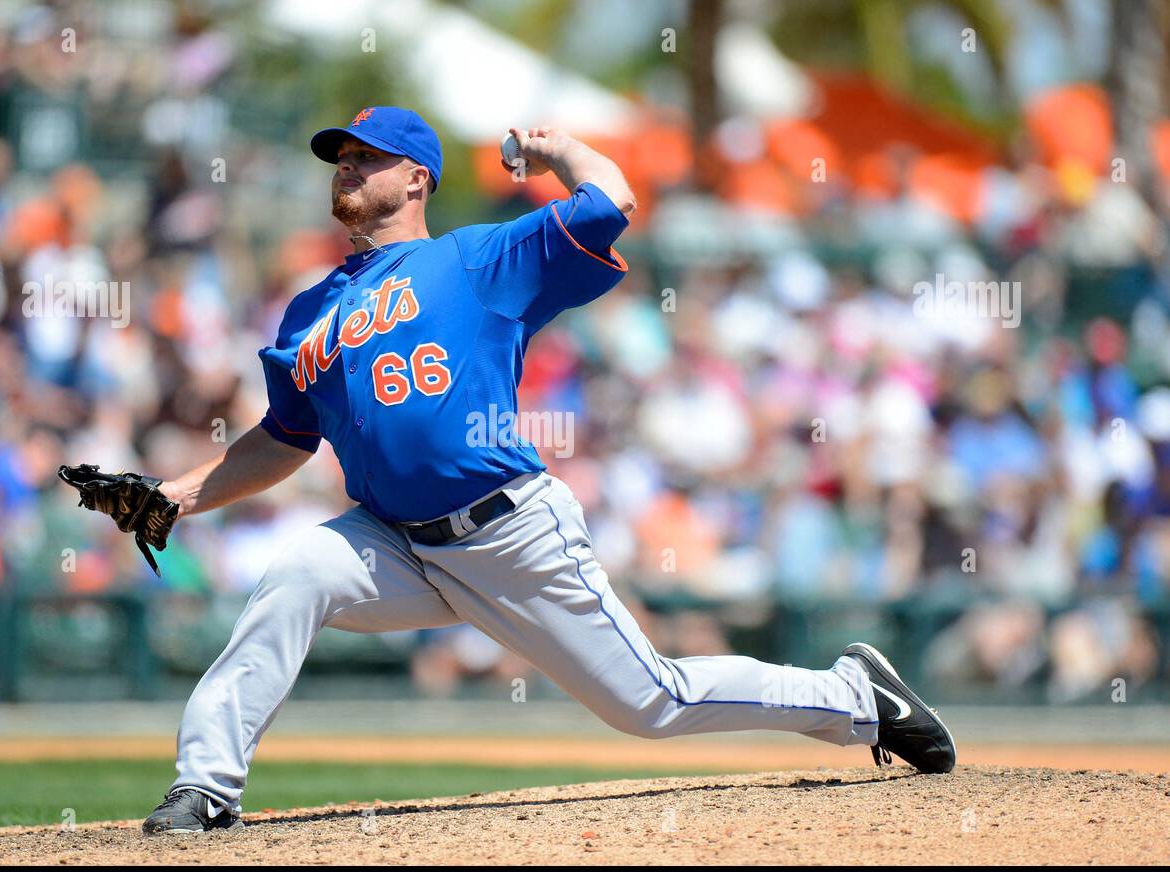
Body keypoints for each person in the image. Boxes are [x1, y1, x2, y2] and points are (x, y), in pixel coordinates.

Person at [140, 107, 955, 834]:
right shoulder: (309, 308)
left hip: (508, 531)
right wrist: (177, 496)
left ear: (417, 178)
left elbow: (613, 201)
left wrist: (559, 147)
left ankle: (856, 696)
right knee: (296, 573)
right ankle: (205, 788)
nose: (347, 167)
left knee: (653, 703)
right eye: (341, 156)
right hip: (391, 543)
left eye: (368, 156)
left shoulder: (480, 258)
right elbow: (285, 439)